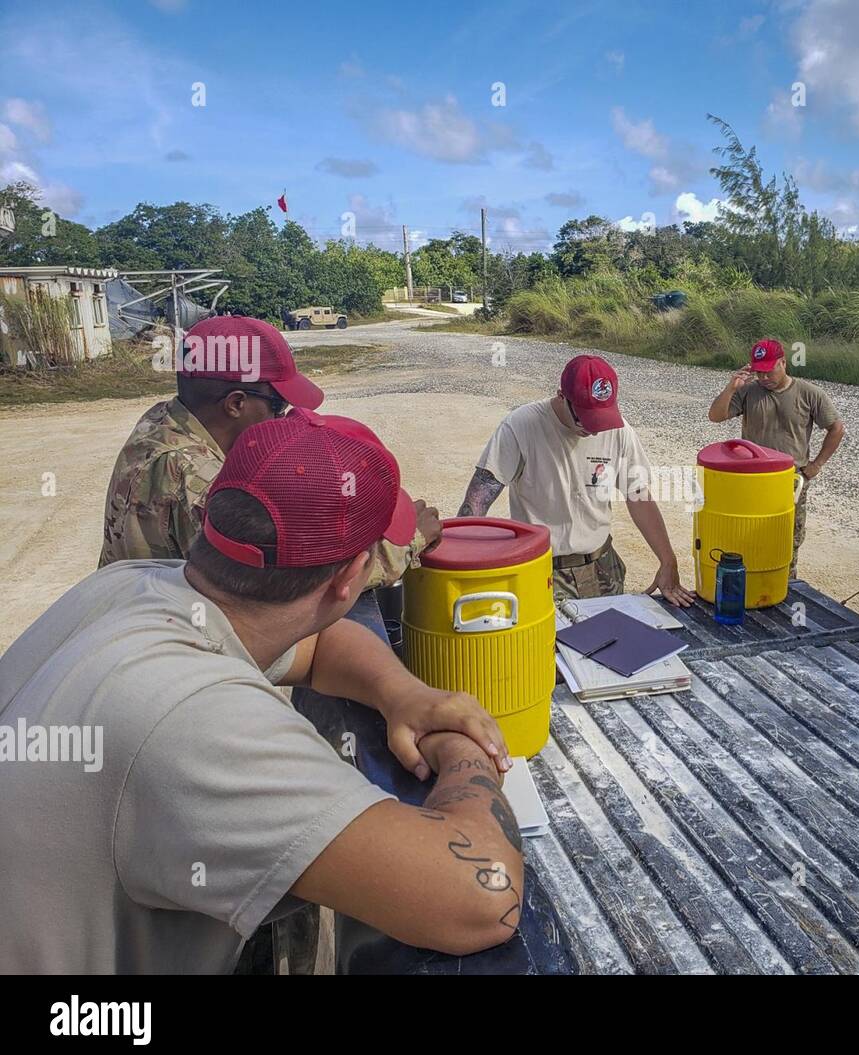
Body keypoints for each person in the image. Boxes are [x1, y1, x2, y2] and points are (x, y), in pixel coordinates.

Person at [0, 410, 521, 973]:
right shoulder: (198, 723)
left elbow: (320, 646)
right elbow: (483, 899)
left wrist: (405, 695)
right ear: (351, 578)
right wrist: (467, 744)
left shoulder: (131, 586)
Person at [99, 314, 433, 584]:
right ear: (236, 404)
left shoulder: (163, 421)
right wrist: (407, 543)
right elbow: (275, 591)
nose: (285, 418)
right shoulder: (199, 479)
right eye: (278, 406)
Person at [459, 353, 693, 606]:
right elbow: (476, 504)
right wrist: (460, 568)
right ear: (561, 396)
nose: (593, 429)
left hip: (603, 567)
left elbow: (638, 496)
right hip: (542, 571)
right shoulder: (521, 426)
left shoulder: (618, 431)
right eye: (585, 418)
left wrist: (668, 561)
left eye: (600, 419)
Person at [707, 338, 846, 578]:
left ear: (783, 362)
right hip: (753, 479)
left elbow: (837, 428)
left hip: (790, 479)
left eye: (769, 371)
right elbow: (715, 416)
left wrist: (816, 465)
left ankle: (784, 587)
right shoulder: (748, 392)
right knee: (748, 535)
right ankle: (751, 584)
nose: (764, 378)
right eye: (758, 372)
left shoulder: (809, 393)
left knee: (788, 539)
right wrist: (731, 388)